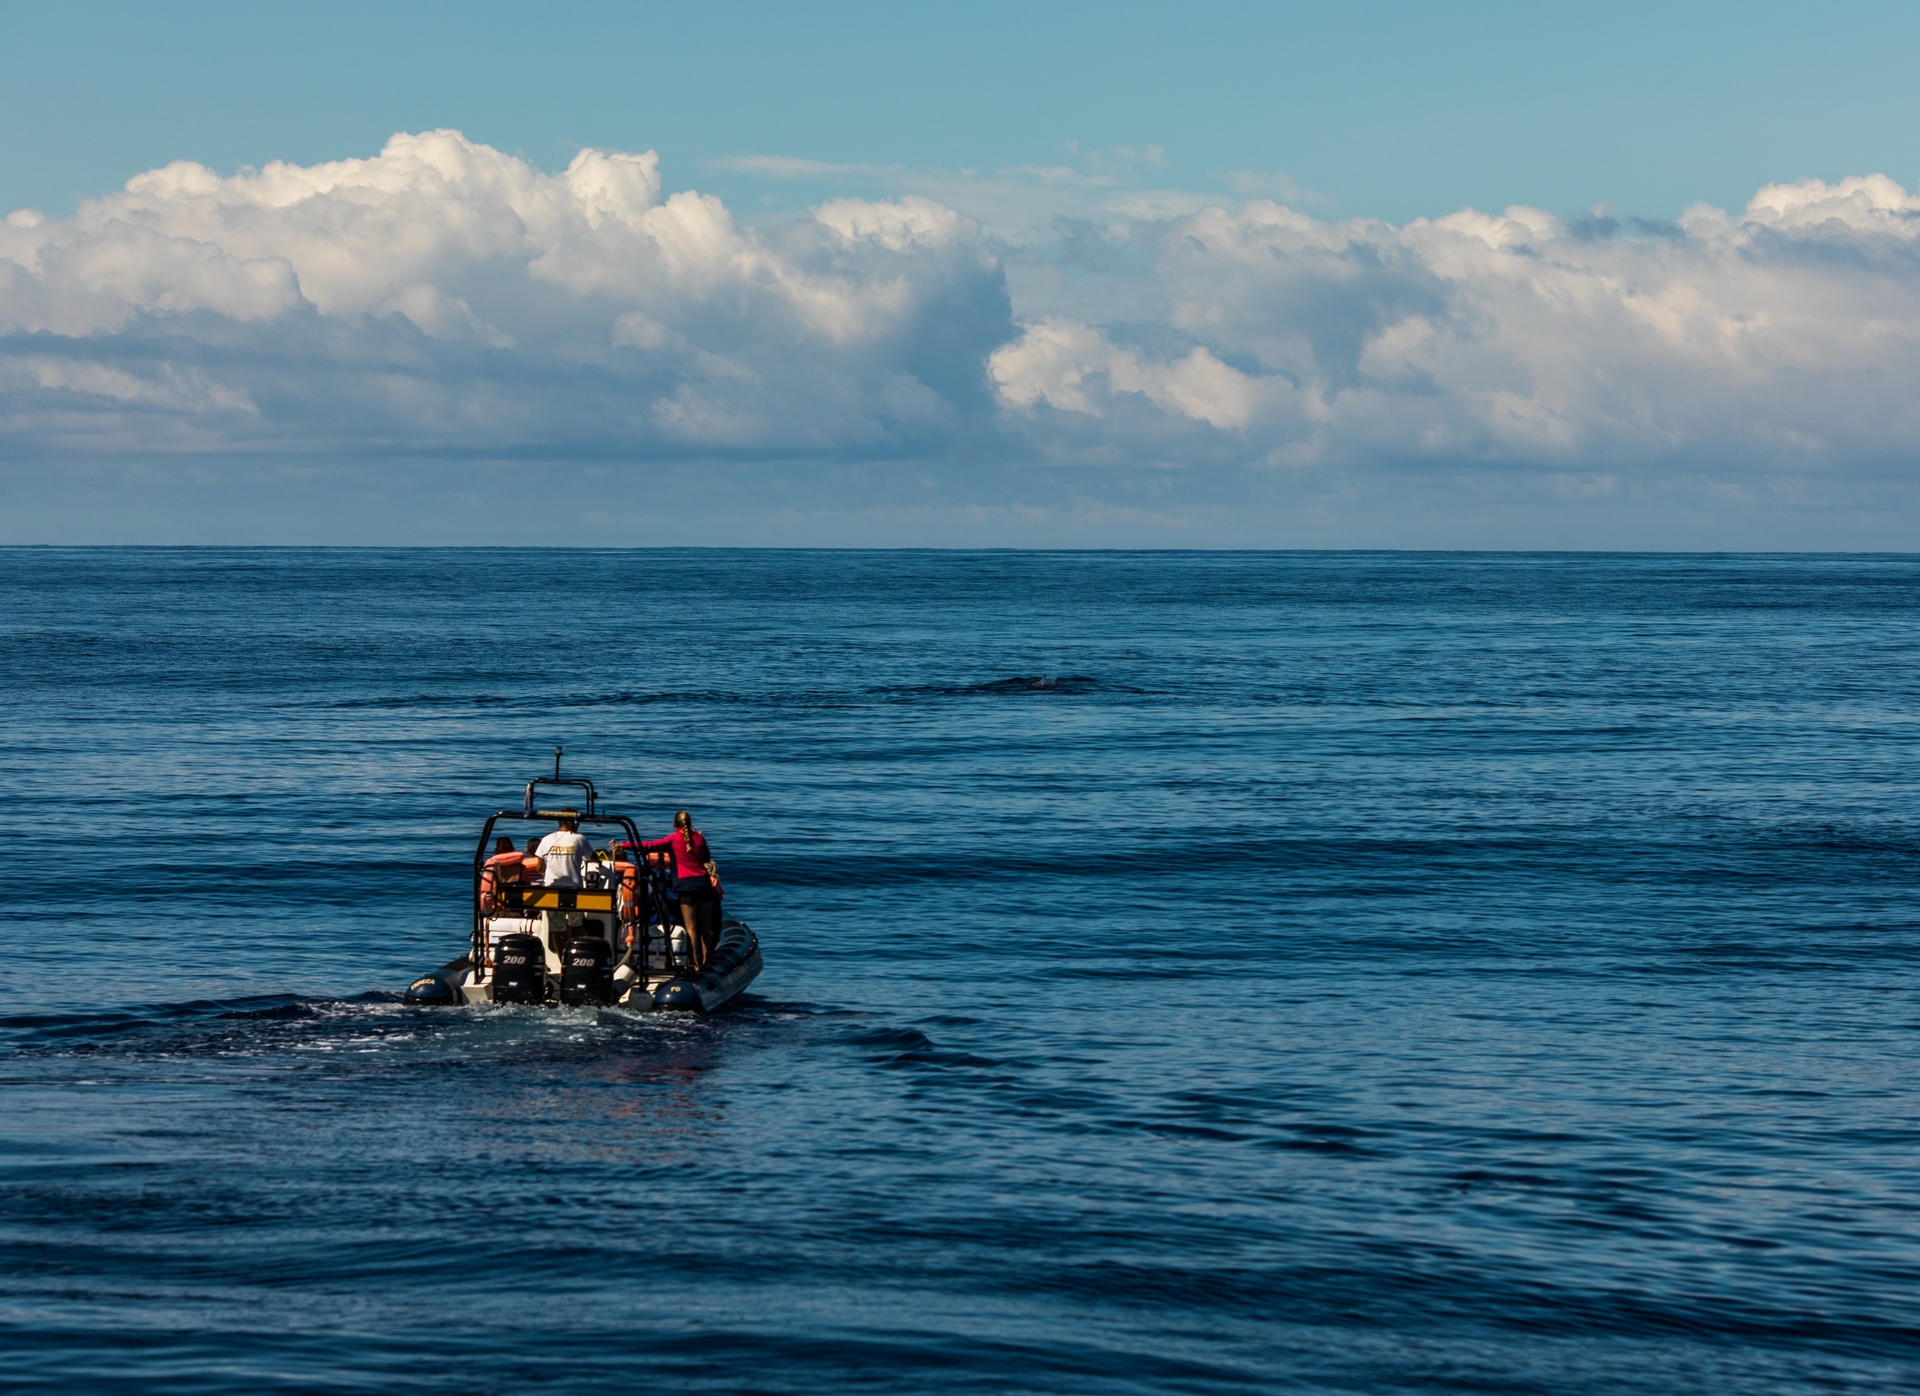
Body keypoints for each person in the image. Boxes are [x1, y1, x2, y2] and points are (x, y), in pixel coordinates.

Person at [641, 810, 721, 970]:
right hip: (704, 885)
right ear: (690, 823)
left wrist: (624, 845)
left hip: (686, 888)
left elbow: (649, 845)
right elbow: (706, 858)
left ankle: (694, 963)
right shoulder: (700, 838)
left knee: (691, 927)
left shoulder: (673, 839)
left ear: (674, 824)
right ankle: (706, 961)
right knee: (705, 926)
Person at [535, 815, 596, 889]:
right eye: (577, 822)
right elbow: (594, 859)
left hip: (550, 887)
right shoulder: (580, 838)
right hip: (574, 887)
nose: (578, 825)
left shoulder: (545, 839)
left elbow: (540, 869)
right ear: (571, 823)